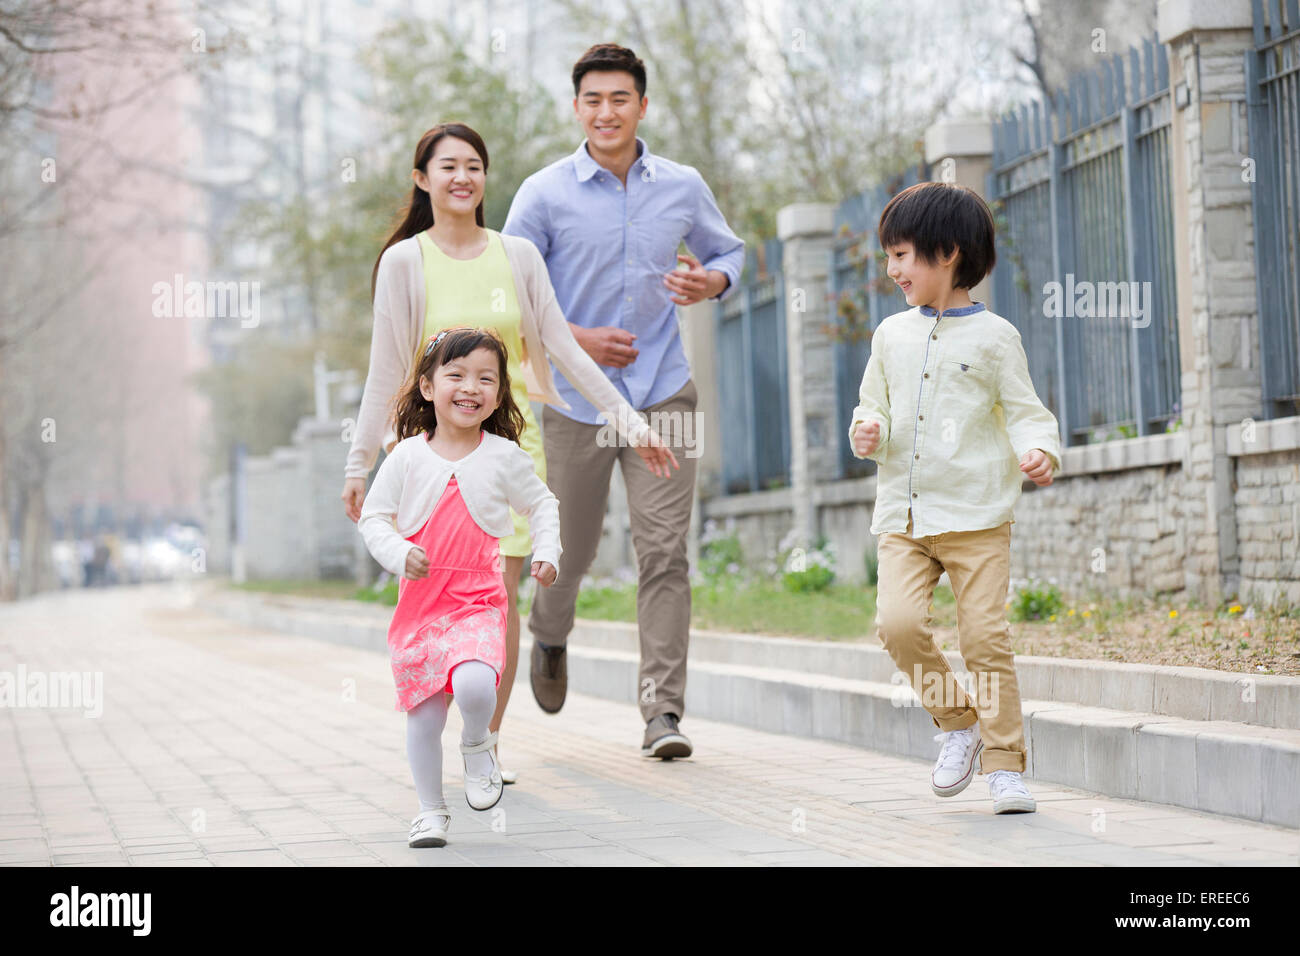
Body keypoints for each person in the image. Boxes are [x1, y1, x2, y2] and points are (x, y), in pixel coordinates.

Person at [341, 122, 679, 784]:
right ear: (422, 179)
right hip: (429, 454)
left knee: (495, 596)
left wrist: (629, 423)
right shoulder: (405, 262)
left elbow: (563, 348)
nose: (462, 177)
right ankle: (433, 721)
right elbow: (385, 371)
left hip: (509, 450)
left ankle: (483, 744)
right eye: (448, 167)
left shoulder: (518, 256)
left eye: (474, 166)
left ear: (485, 179)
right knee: (440, 595)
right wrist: (360, 464)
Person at [503, 43, 744, 759]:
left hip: (665, 393)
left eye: (620, 98)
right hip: (576, 403)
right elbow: (509, 293)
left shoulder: (681, 185)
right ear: (577, 108)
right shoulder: (544, 193)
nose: (606, 111)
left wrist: (713, 284)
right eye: (593, 99)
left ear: (642, 105)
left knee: (664, 553)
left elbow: (729, 253)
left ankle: (661, 712)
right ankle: (549, 632)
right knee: (567, 554)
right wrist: (576, 338)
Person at [849, 181, 1061, 814]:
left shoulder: (996, 338)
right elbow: (872, 405)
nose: (892, 271)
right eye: (889, 256)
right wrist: (869, 431)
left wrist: (1040, 451)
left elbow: (1027, 411)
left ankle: (1004, 766)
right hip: (905, 516)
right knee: (897, 624)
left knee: (984, 640)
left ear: (947, 253)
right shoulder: (890, 335)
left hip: (975, 516)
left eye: (902, 256)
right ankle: (956, 721)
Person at [359, 327, 563, 847]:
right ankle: (430, 810)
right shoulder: (406, 456)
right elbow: (374, 519)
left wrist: (546, 552)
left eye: (485, 378)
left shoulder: (502, 456)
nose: (471, 387)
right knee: (424, 716)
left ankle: (478, 744)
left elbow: (542, 505)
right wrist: (400, 553)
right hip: (421, 604)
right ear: (428, 386)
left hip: (477, 598)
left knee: (476, 685)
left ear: (498, 393)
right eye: (456, 375)